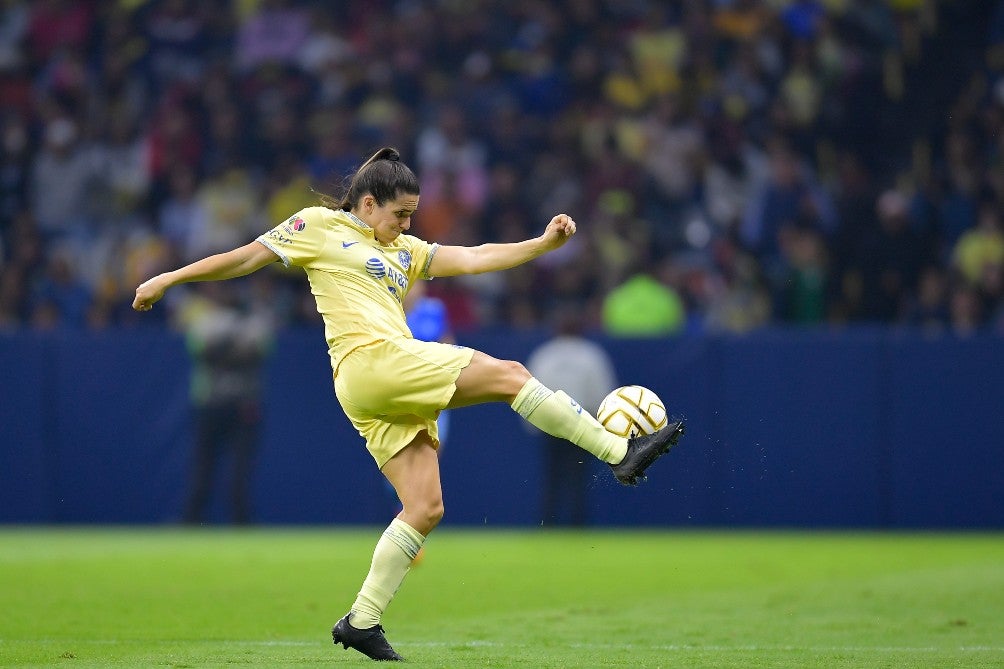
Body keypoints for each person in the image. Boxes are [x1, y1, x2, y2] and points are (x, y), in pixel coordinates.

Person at [133, 147, 686, 662]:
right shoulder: (317, 226)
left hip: (374, 384)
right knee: (512, 375)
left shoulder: (405, 250)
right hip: (371, 361)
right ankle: (618, 452)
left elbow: (474, 258)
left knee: (424, 507)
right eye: (400, 214)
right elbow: (242, 259)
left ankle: (361, 621)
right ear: (367, 203)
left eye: (412, 215)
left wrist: (540, 246)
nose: (407, 225)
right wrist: (169, 278)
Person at [174, 280, 274, 525]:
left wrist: (223, 348)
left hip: (244, 404)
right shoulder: (203, 318)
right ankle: (192, 518)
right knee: (202, 466)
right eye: (223, 287)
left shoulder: (256, 318)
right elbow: (203, 351)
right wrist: (233, 347)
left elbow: (256, 353)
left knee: (240, 469)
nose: (228, 292)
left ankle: (240, 521)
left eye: (233, 287)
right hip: (210, 402)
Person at [526, 308, 618, 526]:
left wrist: (532, 424)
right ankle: (577, 525)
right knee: (578, 477)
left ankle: (548, 524)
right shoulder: (591, 354)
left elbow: (528, 390)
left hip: (550, 422)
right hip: (582, 422)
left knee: (553, 477)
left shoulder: (545, 354)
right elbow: (601, 393)